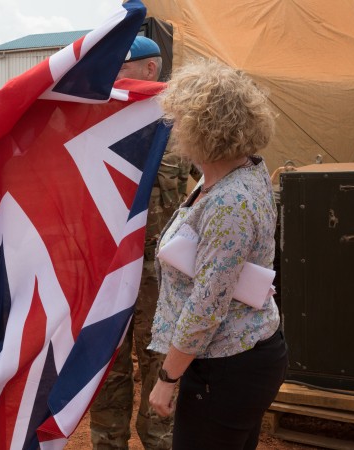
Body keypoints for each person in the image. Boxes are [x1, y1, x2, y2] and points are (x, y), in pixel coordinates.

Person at [148, 59, 288, 449]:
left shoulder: (229, 202)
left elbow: (207, 306)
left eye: (180, 120)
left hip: (226, 364)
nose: (173, 128)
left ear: (201, 130)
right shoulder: (241, 170)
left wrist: (168, 378)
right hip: (241, 353)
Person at [90, 36, 189, 450]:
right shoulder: (100, 122)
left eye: (122, 67)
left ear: (150, 69)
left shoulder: (182, 124)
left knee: (158, 361)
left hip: (160, 272)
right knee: (107, 360)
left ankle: (159, 441)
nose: (113, 76)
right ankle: (108, 442)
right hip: (109, 266)